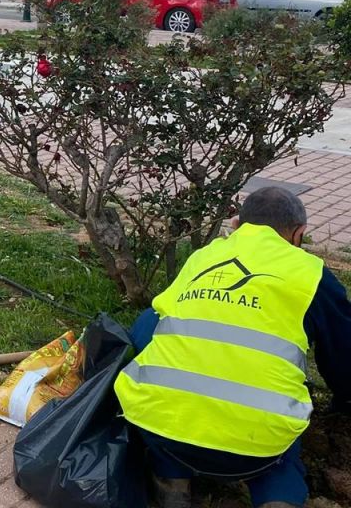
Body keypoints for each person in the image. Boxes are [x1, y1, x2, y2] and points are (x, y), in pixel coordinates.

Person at [114, 187, 351, 508]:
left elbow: (147, 330)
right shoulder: (311, 274)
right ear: (299, 234)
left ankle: (172, 481)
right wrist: (342, 397)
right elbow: (343, 352)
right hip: (254, 447)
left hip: (161, 430)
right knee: (278, 461)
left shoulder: (202, 258)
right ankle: (277, 499)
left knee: (151, 321)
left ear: (236, 224)